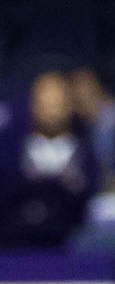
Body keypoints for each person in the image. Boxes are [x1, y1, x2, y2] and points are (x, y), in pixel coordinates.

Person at [0, 70, 98, 248]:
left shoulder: (85, 154)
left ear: (70, 105)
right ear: (33, 105)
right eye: (44, 102)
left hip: (69, 247)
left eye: (56, 103)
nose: (50, 110)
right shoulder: (10, 153)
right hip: (15, 246)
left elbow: (86, 199)